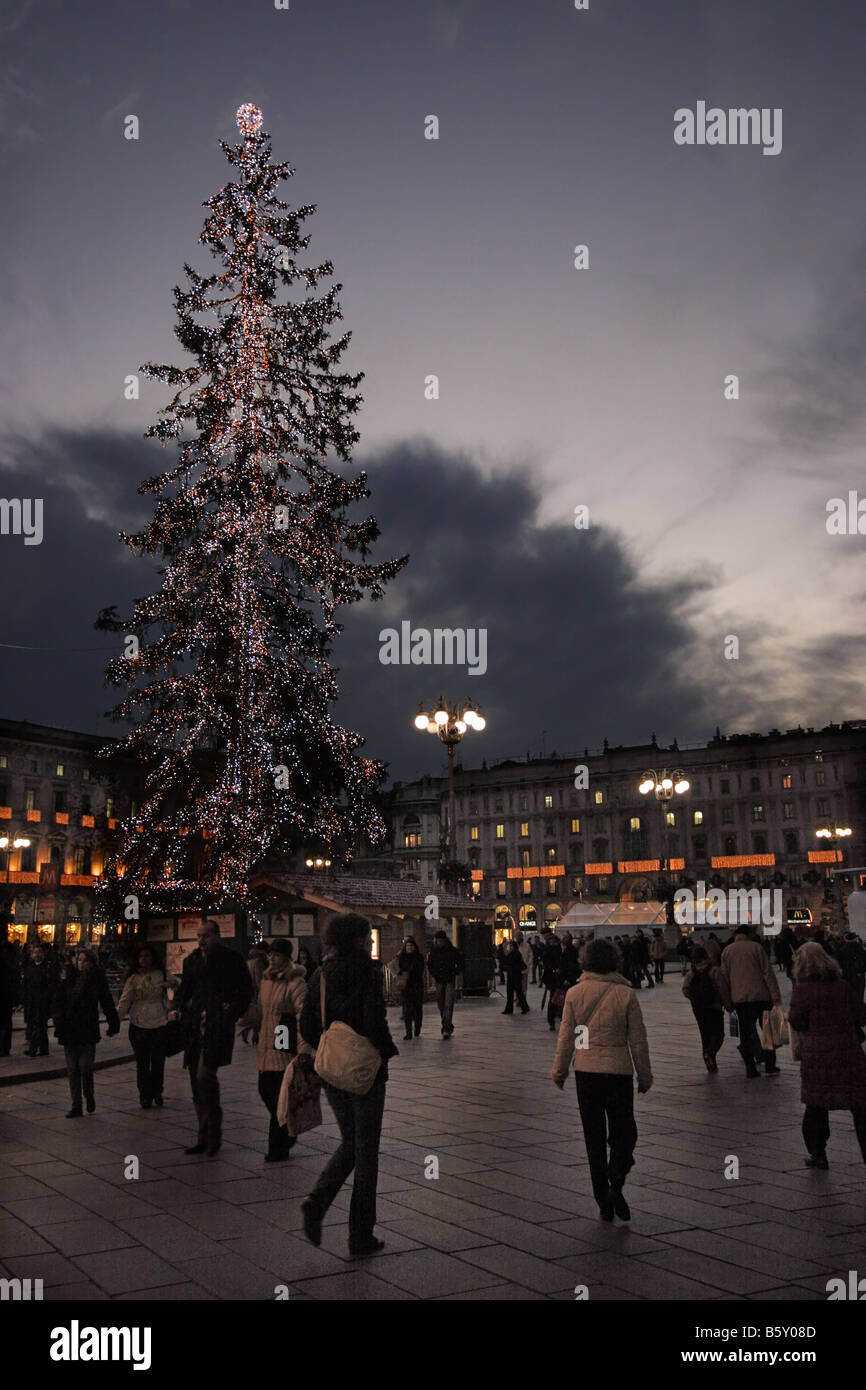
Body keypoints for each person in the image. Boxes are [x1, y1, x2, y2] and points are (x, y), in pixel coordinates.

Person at [299, 913, 397, 1257]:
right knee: (366, 1152)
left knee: (351, 1142)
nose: (369, 941)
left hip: (332, 1069)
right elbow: (374, 1020)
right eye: (367, 936)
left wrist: (331, 1041)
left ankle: (318, 1200)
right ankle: (360, 1235)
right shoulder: (367, 972)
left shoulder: (320, 975)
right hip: (365, 1071)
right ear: (357, 940)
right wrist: (386, 1051)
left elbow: (307, 1025)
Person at [551, 939, 652, 1222]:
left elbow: (567, 1036)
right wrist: (644, 1075)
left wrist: (560, 1070)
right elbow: (638, 1041)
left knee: (593, 1137)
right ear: (614, 960)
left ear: (586, 961)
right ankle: (616, 1177)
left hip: (586, 1072)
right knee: (625, 1132)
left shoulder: (575, 993)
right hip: (618, 1073)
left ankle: (603, 1200)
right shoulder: (626, 994)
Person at [169, 920, 253, 1157]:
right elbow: (184, 990)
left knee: (205, 1074)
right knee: (197, 1083)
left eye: (205, 936)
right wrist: (177, 1008)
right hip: (195, 1025)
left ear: (217, 936)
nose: (201, 940)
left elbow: (245, 990)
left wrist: (230, 1012)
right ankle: (203, 1134)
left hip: (217, 1024)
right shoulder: (192, 960)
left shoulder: (231, 959)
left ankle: (213, 1133)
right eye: (198, 936)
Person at [788, 942, 866, 1169]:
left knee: (816, 1106)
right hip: (848, 1051)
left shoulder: (802, 990)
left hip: (818, 1054)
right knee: (860, 1106)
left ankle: (818, 1153)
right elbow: (861, 1014)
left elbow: (796, 1020)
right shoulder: (842, 986)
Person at [257, 939, 308, 1162]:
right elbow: (263, 1011)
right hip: (267, 1042)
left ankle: (278, 1147)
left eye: (276, 955)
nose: (272, 958)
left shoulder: (295, 982)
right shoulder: (266, 980)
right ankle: (288, 1131)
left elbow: (302, 1016)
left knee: (278, 1097)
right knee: (266, 1090)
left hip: (284, 1042)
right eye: (270, 954)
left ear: (287, 957)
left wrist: (303, 1050)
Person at [52, 950, 120, 1117]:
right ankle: (76, 1104)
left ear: (91, 962)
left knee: (85, 1066)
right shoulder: (69, 979)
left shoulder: (96, 980)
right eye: (79, 959)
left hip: (87, 1028)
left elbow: (107, 1002)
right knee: (72, 1069)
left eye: (85, 960)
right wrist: (57, 1019)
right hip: (69, 1028)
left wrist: (113, 1023)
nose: (81, 963)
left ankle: (89, 1095)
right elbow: (58, 1001)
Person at [116, 945, 175, 1108]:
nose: (144, 960)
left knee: (158, 1061)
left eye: (147, 956)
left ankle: (157, 1091)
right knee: (142, 1062)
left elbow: (178, 984)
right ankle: (144, 1094)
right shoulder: (133, 978)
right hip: (138, 1021)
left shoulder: (161, 974)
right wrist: (116, 1020)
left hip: (159, 1020)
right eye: (141, 957)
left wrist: (170, 985)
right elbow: (125, 1000)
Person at [720, 925, 782, 1078]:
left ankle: (750, 1068)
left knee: (746, 1034)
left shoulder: (727, 951)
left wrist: (727, 1001)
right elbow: (768, 974)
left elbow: (724, 979)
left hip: (740, 999)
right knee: (767, 1031)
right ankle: (770, 1065)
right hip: (761, 996)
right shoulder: (757, 948)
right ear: (748, 934)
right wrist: (775, 996)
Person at [682, 945, 731, 1072]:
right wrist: (728, 1005)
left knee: (705, 1035)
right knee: (718, 1034)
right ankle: (710, 1053)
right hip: (714, 1007)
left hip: (698, 1009)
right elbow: (723, 989)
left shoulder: (691, 973)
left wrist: (695, 998)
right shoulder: (714, 970)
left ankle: (710, 1062)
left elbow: (685, 990)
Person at [426, 930, 463, 1039]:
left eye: (440, 941)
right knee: (441, 1003)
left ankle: (446, 1028)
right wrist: (434, 973)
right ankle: (447, 1024)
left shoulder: (452, 951)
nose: (439, 943)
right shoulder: (433, 952)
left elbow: (461, 962)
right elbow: (430, 964)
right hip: (439, 980)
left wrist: (455, 972)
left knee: (448, 1004)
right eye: (437, 941)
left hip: (449, 980)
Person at [22, 943, 56, 1056]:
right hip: (31, 1001)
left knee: (39, 1025)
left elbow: (51, 985)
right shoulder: (30, 967)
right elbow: (26, 984)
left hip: (42, 1001)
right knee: (37, 1025)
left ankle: (33, 1049)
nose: (37, 955)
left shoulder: (47, 968)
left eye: (39, 952)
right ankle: (43, 1049)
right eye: (35, 952)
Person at [394, 936, 425, 1040]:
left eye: (411, 945)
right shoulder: (402, 957)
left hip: (416, 985)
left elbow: (420, 970)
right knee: (407, 1010)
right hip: (406, 986)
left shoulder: (419, 957)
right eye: (407, 946)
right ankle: (408, 1032)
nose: (409, 947)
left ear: (414, 947)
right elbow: (398, 968)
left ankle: (417, 1028)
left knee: (417, 1009)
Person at [239, 942, 269, 1045]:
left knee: (256, 1015)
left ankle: (251, 1033)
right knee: (260, 1015)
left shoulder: (249, 961)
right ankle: (254, 1035)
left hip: (249, 992)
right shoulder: (259, 962)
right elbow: (259, 979)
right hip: (257, 993)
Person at [0, 939, 20, 1056]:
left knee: (4, 1023)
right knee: (6, 1022)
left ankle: (3, 1047)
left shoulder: (6, 962)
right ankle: (4, 1048)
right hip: (7, 997)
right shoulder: (12, 962)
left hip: (5, 996)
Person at [501, 938, 530, 1015]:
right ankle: (511, 1009)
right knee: (512, 993)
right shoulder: (513, 953)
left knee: (518, 993)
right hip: (512, 975)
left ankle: (524, 1008)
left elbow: (510, 962)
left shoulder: (516, 954)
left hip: (515, 976)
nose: (510, 947)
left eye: (511, 946)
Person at [837, 933, 866, 1001]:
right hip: (859, 973)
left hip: (847, 974)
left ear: (846, 939)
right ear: (855, 938)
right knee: (859, 992)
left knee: (849, 993)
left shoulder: (842, 949)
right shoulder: (860, 948)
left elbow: (840, 963)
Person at [514, 930, 532, 1005]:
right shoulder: (513, 945)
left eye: (520, 936)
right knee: (516, 986)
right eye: (517, 936)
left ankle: (523, 1000)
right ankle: (517, 999)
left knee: (524, 986)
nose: (518, 937)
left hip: (524, 970)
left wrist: (527, 964)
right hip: (515, 970)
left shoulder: (526, 945)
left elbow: (530, 956)